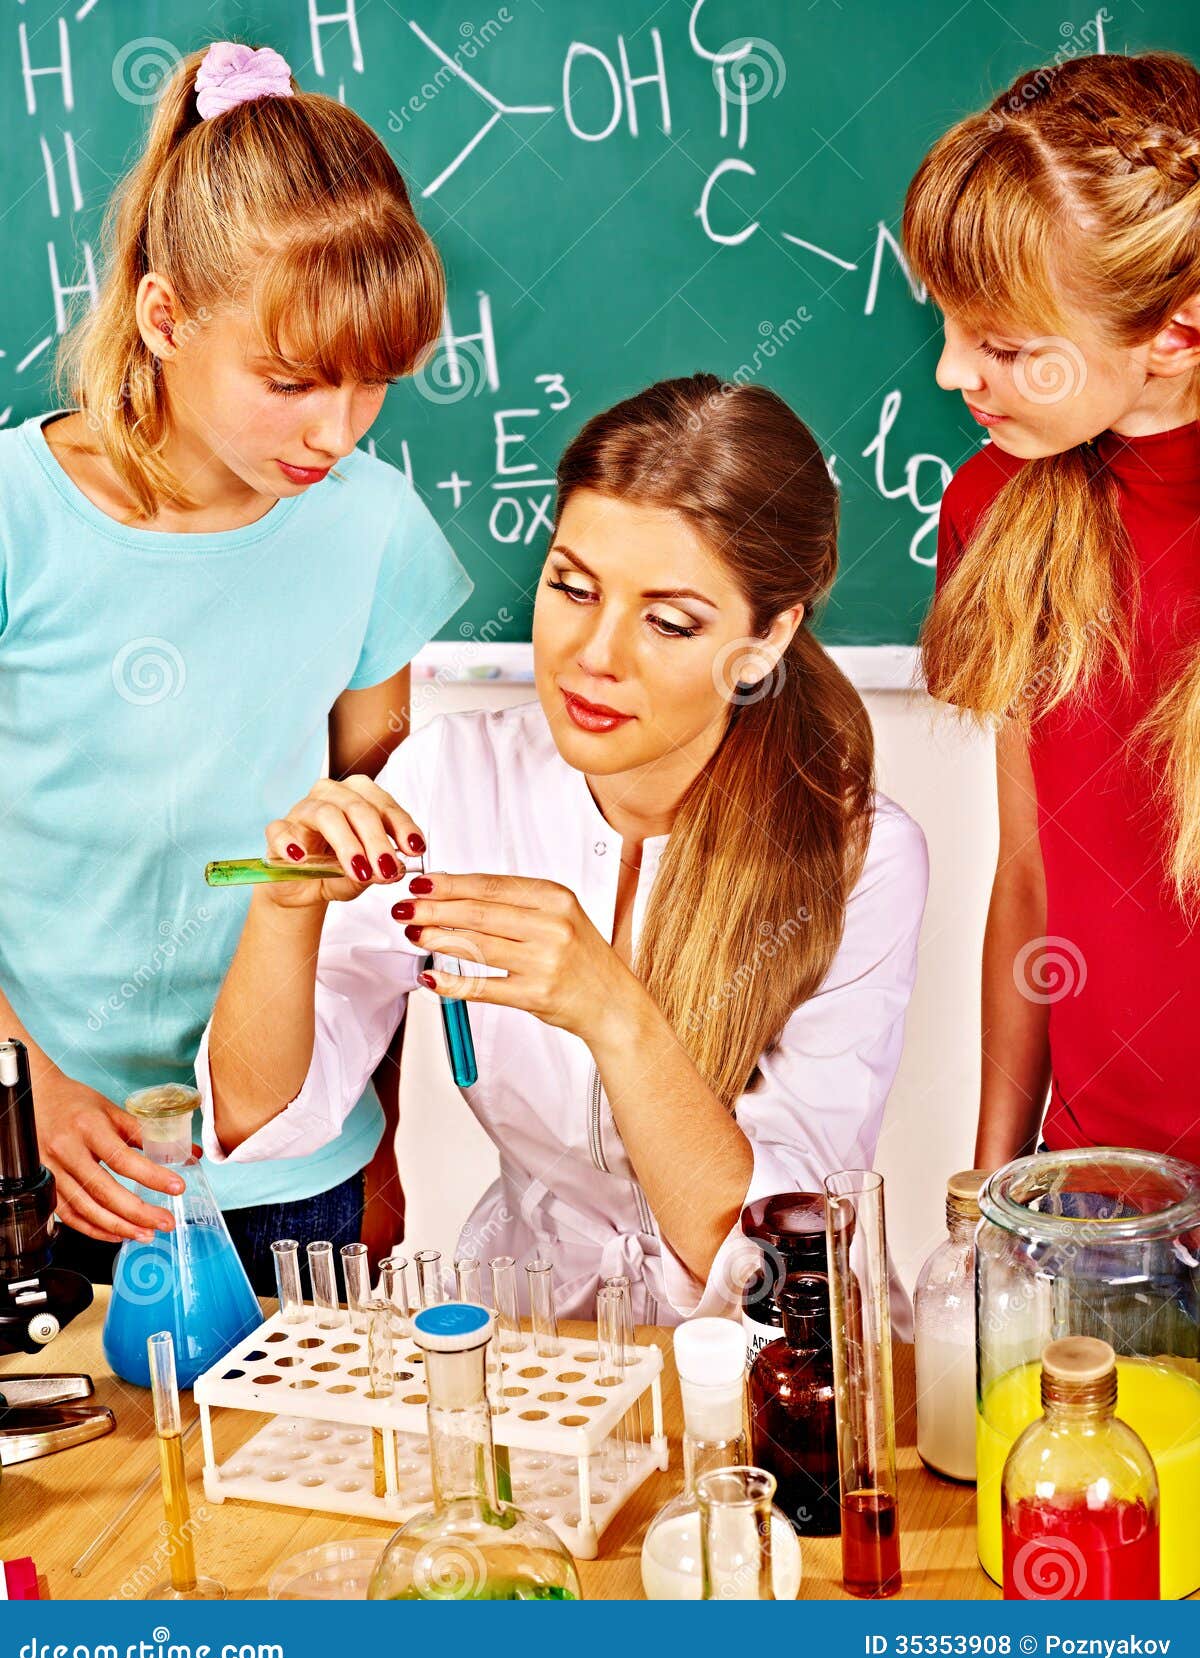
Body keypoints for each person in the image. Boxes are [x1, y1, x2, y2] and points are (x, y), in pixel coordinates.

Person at [200, 375, 928, 1323]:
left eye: (669, 622)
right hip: (533, 1339)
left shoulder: (862, 857)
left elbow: (760, 1257)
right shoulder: (453, 779)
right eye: (571, 588)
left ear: (767, 636)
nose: (594, 653)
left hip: (770, 1370)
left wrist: (613, 1011)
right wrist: (283, 914)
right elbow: (264, 1124)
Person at [0, 42, 471, 1292]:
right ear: (163, 317)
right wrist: (25, 1083)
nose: (338, 430)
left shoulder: (373, 532)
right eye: (291, 380)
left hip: (289, 1173)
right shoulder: (15, 516)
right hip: (40, 1166)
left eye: (372, 383)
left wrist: (380, 1133)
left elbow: (369, 881)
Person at [903, 51, 1200, 1168]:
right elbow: (1030, 870)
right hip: (1089, 1190)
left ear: (1176, 331)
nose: (950, 374)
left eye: (1005, 348)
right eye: (952, 325)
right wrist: (997, 1176)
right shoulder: (997, 509)